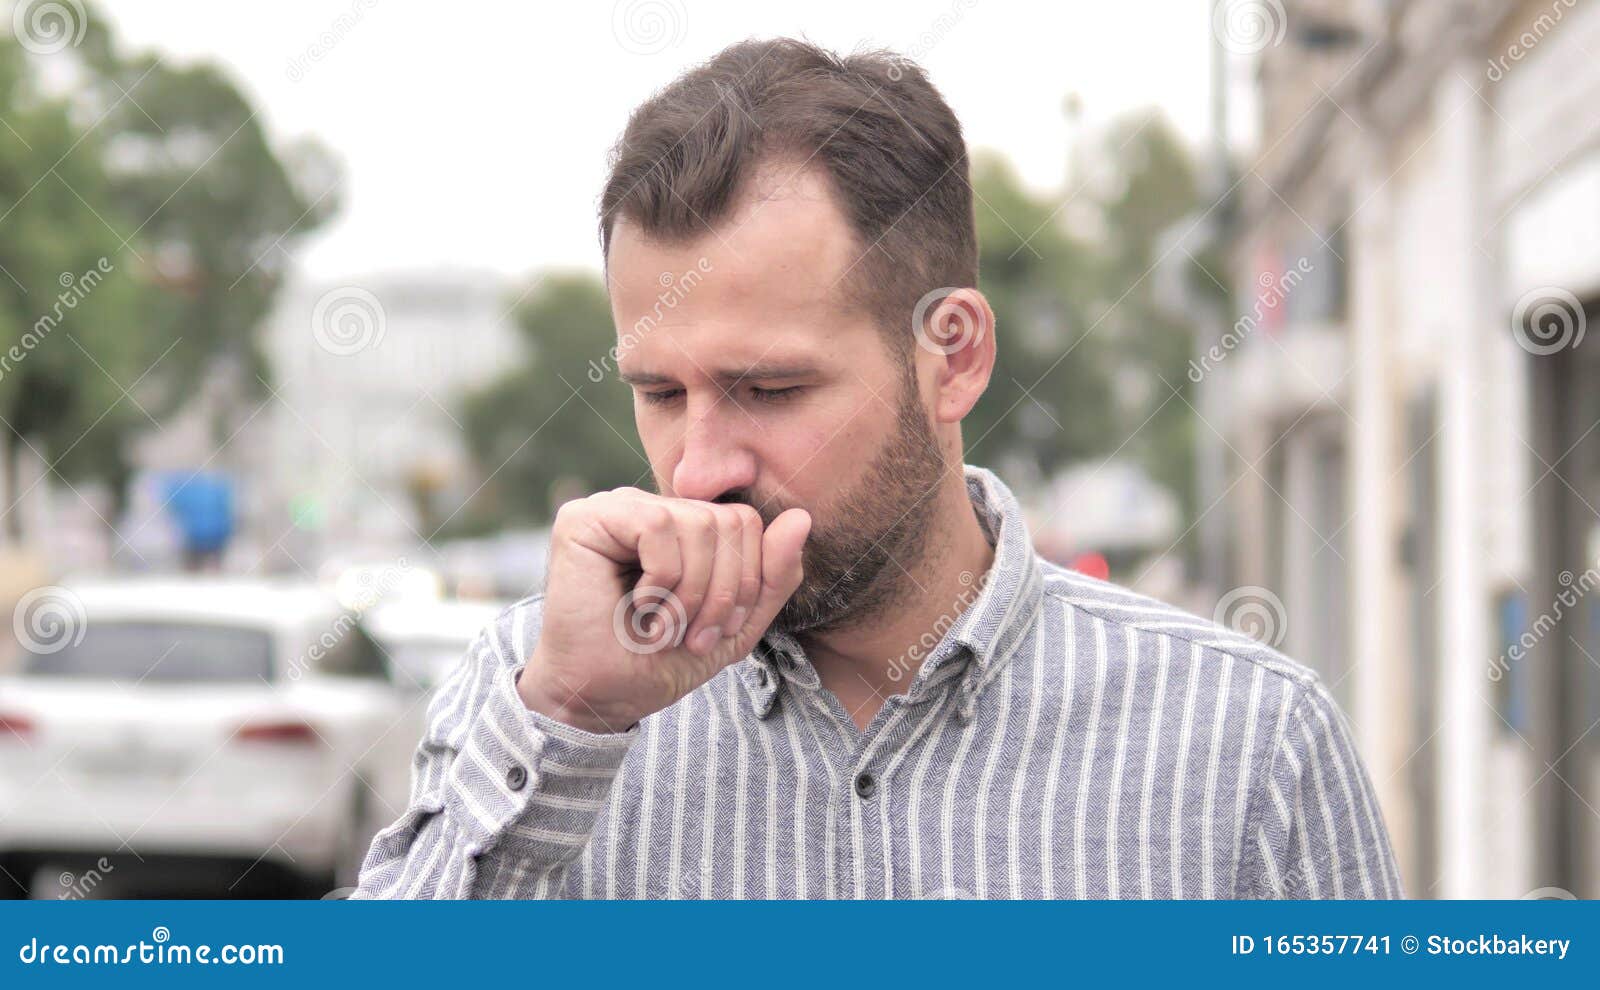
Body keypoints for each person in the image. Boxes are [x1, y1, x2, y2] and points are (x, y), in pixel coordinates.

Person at [352, 37, 1401, 900]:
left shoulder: (1245, 746)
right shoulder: (531, 690)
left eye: (770, 389)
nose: (699, 471)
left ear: (954, 356)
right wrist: (570, 721)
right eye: (661, 393)